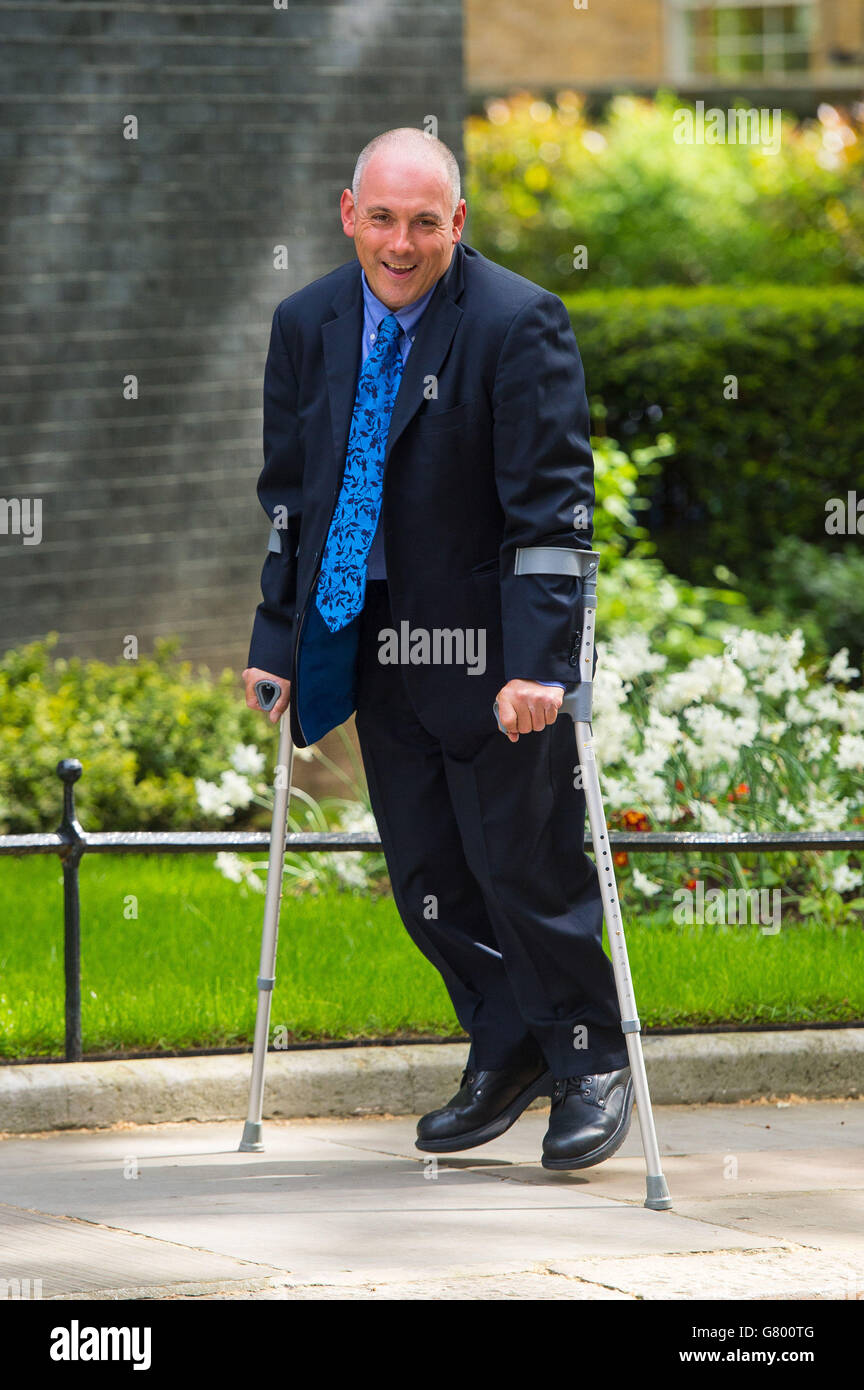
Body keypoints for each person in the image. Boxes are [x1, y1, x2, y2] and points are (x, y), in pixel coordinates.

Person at [242, 127, 633, 1169]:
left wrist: (542, 663)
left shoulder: (517, 323)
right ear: (348, 214)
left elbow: (551, 512)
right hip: (370, 643)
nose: (402, 244)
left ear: (456, 222)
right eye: (383, 219)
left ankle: (589, 1059)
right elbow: (291, 498)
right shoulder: (306, 322)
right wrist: (278, 636)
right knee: (426, 877)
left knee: (527, 869)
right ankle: (507, 1048)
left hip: (495, 655)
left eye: (426, 222)